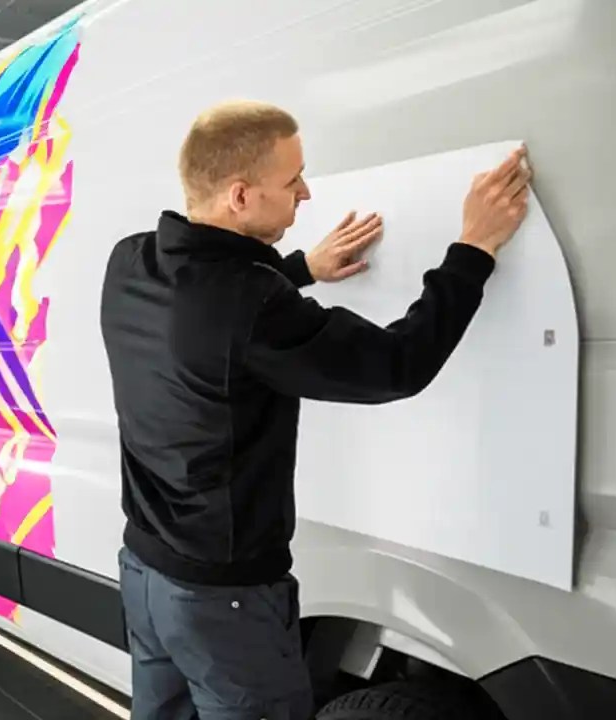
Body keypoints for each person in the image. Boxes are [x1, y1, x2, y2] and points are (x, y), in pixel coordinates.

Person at [98, 100, 532, 720]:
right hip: (226, 602)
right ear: (240, 196)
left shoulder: (132, 261)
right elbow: (395, 365)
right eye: (292, 179)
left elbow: (207, 307)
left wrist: (299, 268)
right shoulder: (251, 303)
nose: (305, 193)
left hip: (144, 574)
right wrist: (474, 247)